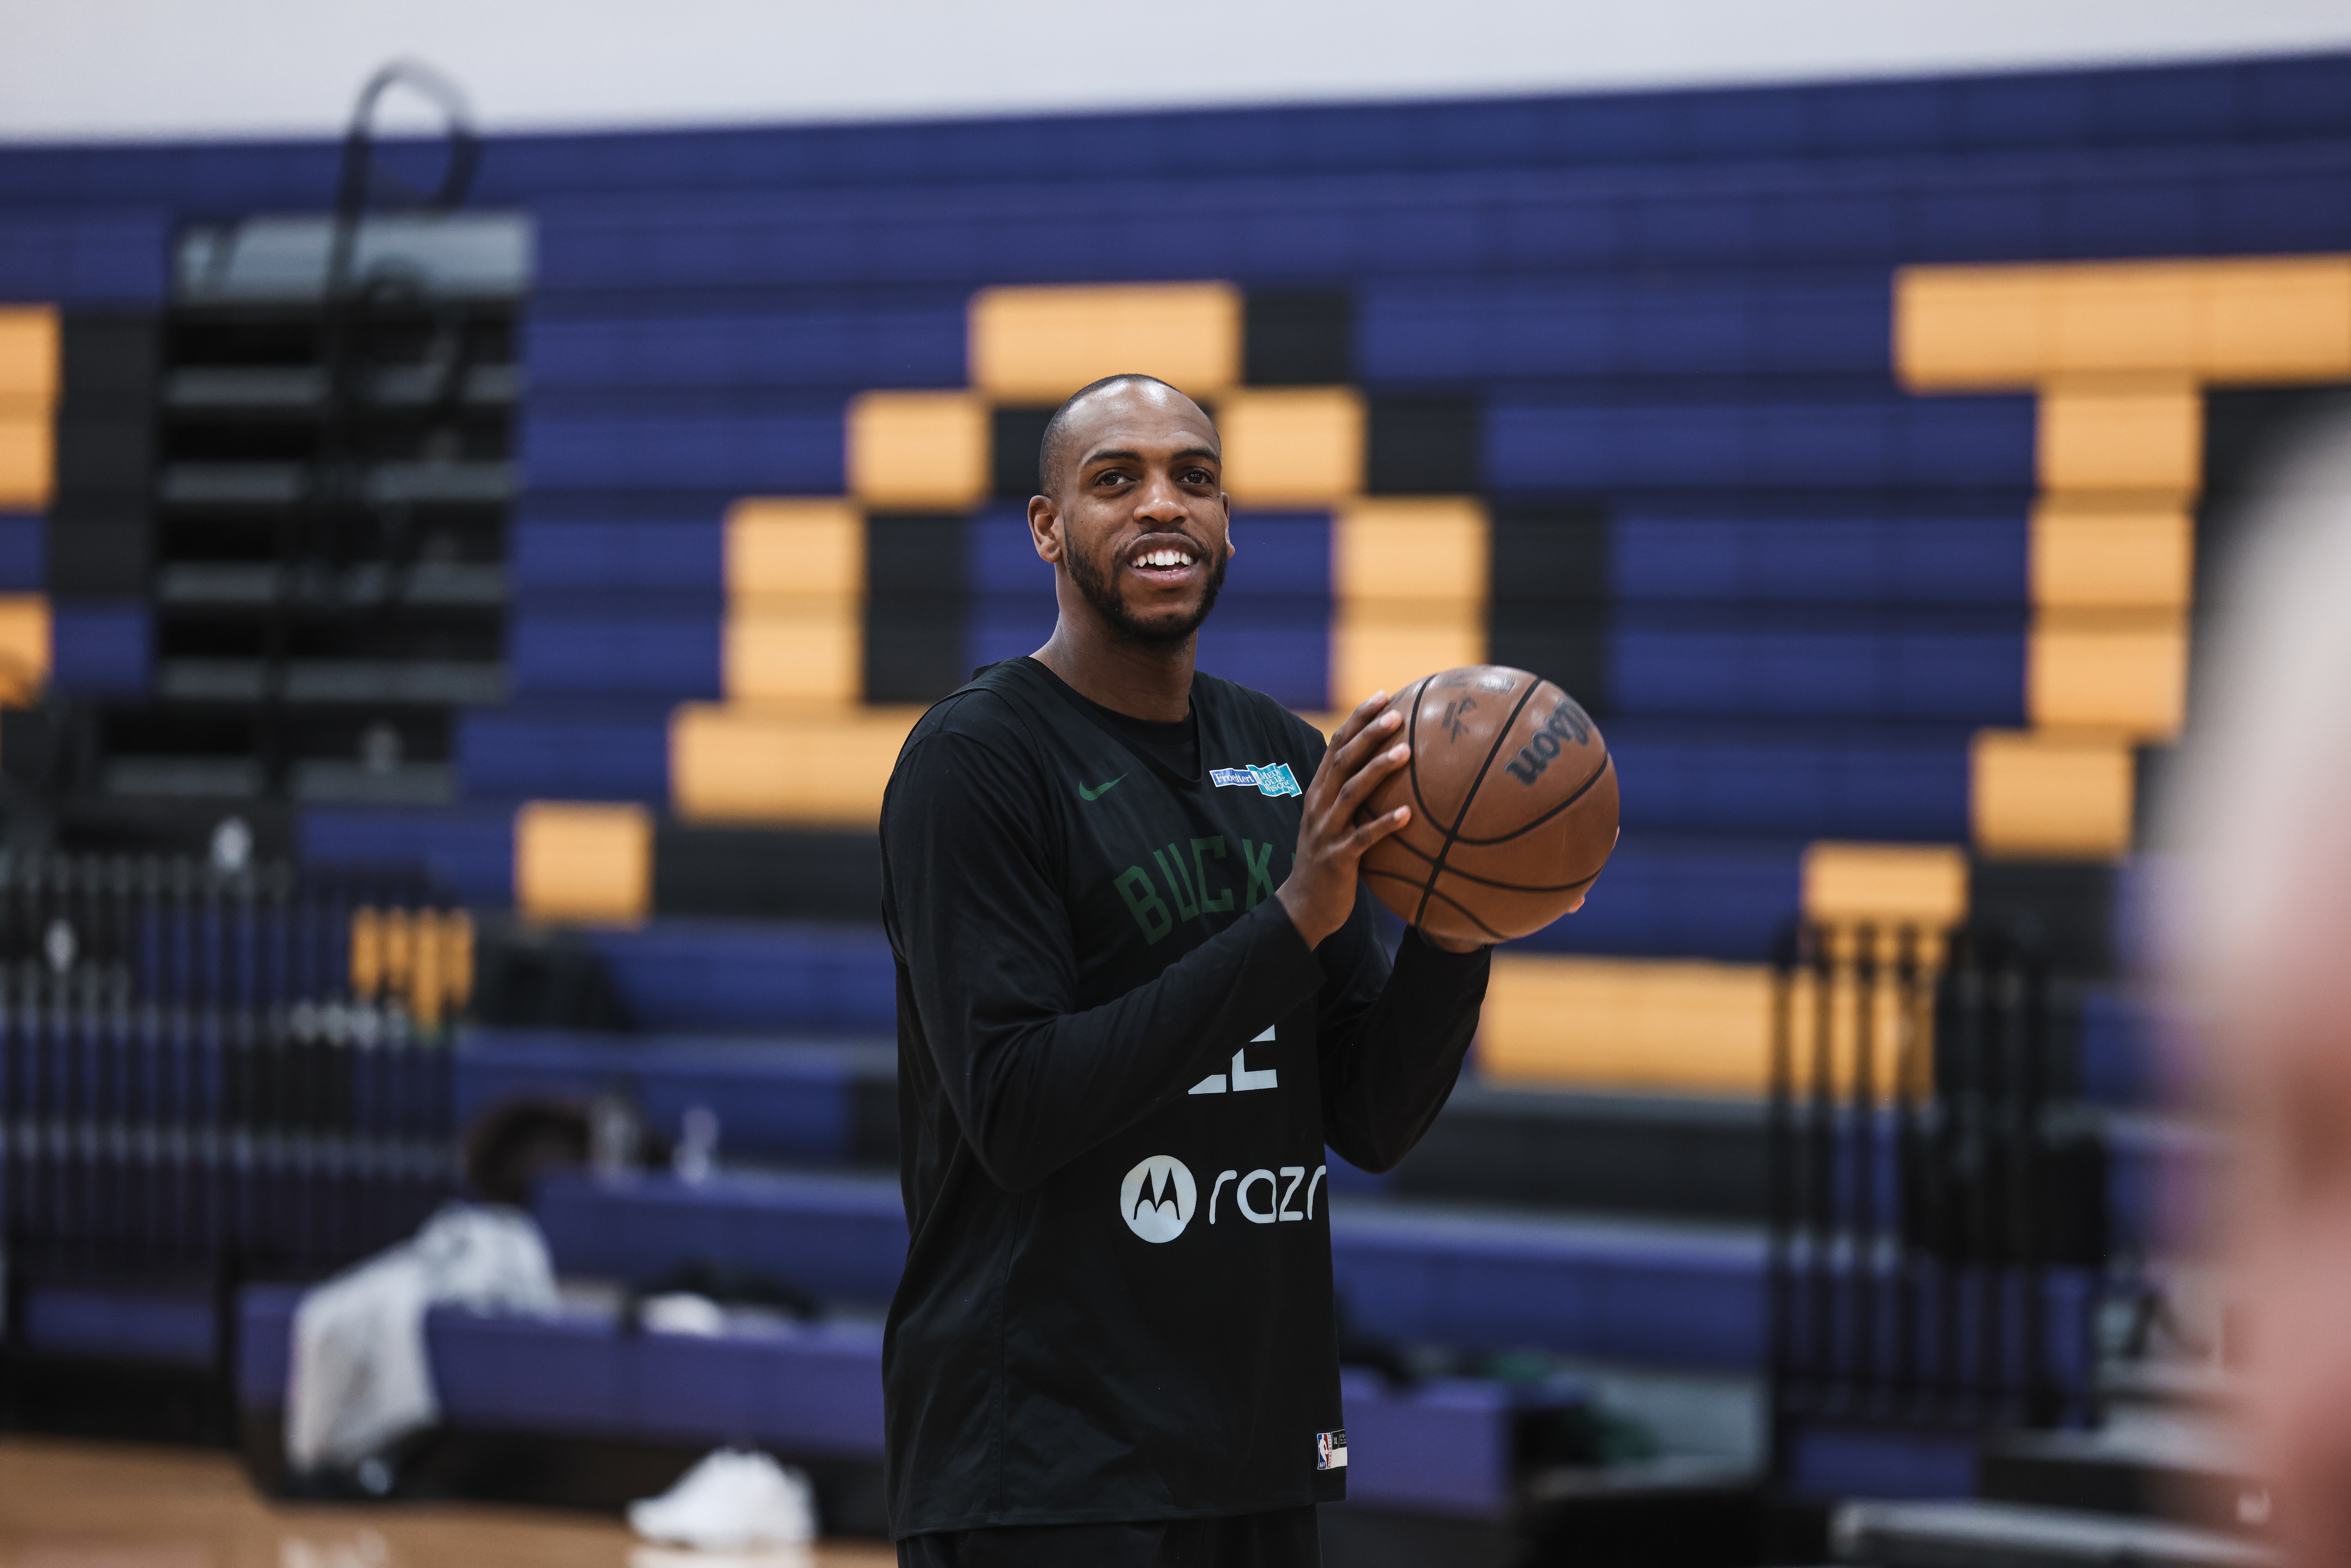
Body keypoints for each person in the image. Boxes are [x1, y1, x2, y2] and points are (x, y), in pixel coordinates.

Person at [878, 374, 1511, 1566]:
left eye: (1195, 478)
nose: (1162, 504)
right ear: (1047, 527)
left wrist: (1456, 933)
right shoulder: (976, 762)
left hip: (1252, 1438)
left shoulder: (1282, 756)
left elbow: (1368, 1114)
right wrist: (1290, 924)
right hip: (1044, 1459)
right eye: (1115, 480)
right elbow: (1014, 1109)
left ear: (1227, 524)